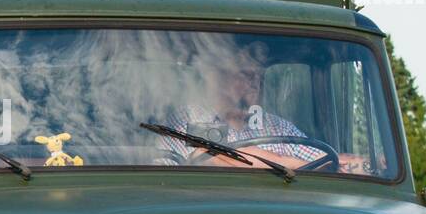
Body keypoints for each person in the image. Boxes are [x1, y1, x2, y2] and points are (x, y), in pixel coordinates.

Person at [158, 41, 372, 174]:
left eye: (259, 76)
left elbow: (324, 159)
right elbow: (209, 159)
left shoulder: (276, 127)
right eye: (245, 74)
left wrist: (367, 165)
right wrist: (295, 167)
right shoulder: (190, 117)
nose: (255, 83)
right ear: (218, 77)